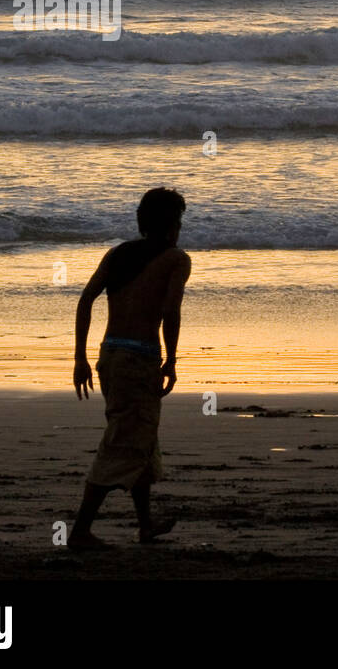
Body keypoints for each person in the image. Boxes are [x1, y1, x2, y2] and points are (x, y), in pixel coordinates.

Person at [70, 187, 192, 548]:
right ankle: (80, 531)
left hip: (109, 358)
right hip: (139, 360)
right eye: (179, 221)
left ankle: (146, 525)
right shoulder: (176, 259)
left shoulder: (118, 254)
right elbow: (170, 311)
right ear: (172, 226)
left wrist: (80, 358)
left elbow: (85, 300)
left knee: (140, 439)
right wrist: (171, 359)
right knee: (123, 440)